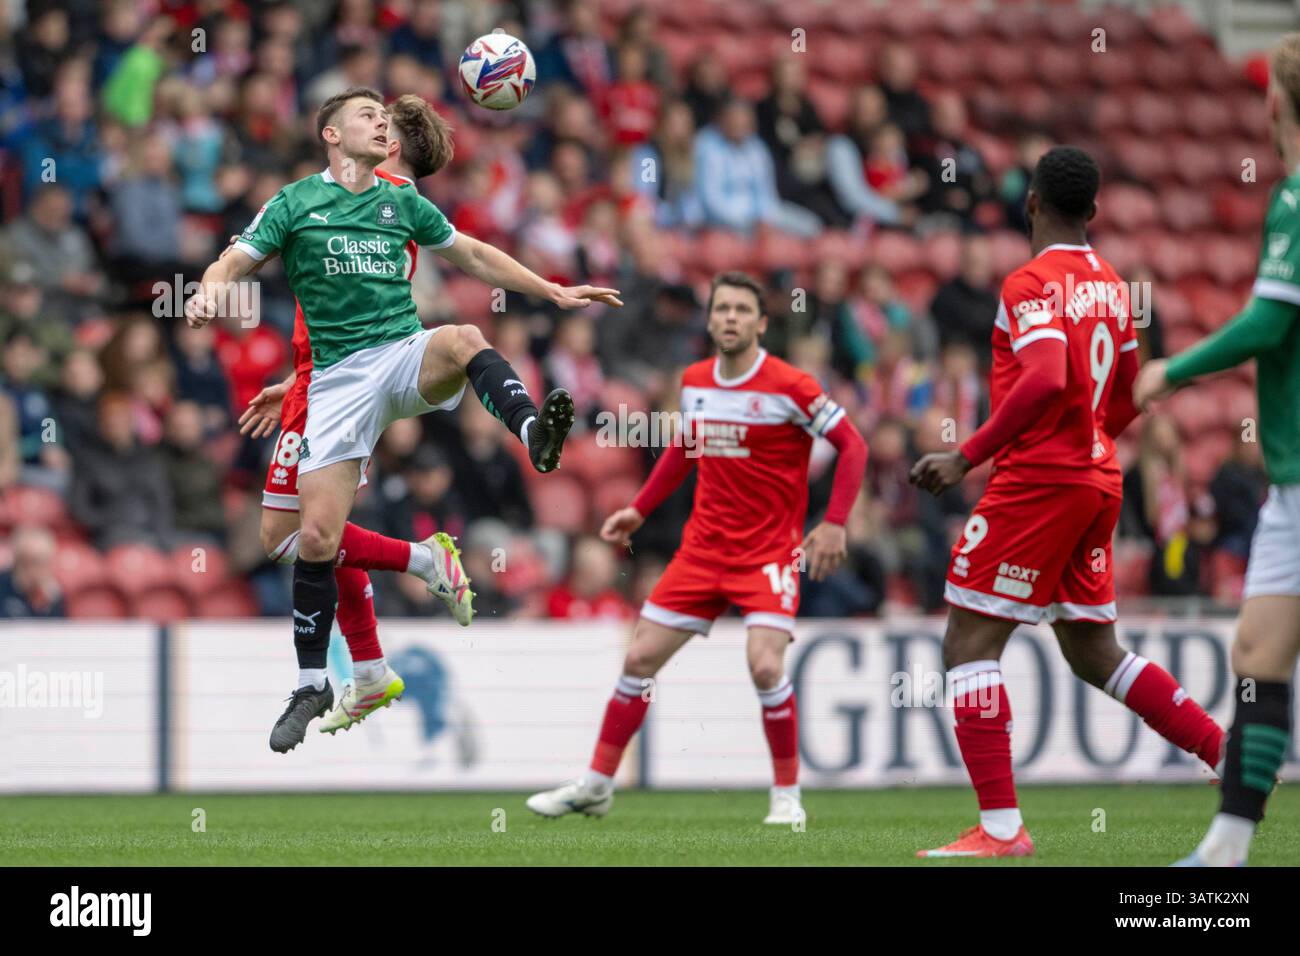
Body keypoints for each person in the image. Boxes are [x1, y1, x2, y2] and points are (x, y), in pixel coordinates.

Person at [185, 87, 621, 754]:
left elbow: (473, 253)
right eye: (366, 114)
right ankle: (315, 682)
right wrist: (212, 286)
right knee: (315, 538)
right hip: (331, 382)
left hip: (397, 355)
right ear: (329, 134)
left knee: (463, 335)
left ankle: (534, 432)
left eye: (384, 117)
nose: (379, 121)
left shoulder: (400, 198)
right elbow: (236, 258)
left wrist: (552, 289)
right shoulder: (295, 202)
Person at [910, 146, 1223, 858]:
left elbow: (1047, 375)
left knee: (968, 641)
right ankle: (1223, 753)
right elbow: (1133, 392)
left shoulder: (1030, 281)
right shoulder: (1112, 284)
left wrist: (968, 454)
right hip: (1097, 478)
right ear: (1095, 210)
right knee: (1093, 652)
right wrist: (1090, 446)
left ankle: (1000, 831)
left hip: (1041, 481)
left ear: (1030, 202)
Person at [527, 272, 868, 825]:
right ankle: (596, 785)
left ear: (760, 323)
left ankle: (787, 798)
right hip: (703, 552)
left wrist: (834, 524)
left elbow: (853, 444)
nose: (729, 317)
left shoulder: (790, 385)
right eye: (721, 309)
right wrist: (639, 508)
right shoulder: (696, 380)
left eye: (741, 309)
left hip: (767, 555)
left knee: (763, 666)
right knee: (638, 660)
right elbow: (684, 446)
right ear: (709, 321)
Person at [1135, 33, 1300, 867]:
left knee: (1261, 657)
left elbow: (1270, 322)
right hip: (1290, 488)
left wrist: (1173, 368)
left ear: (1275, 103)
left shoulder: (1298, 200)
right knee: (1257, 655)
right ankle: (1226, 852)